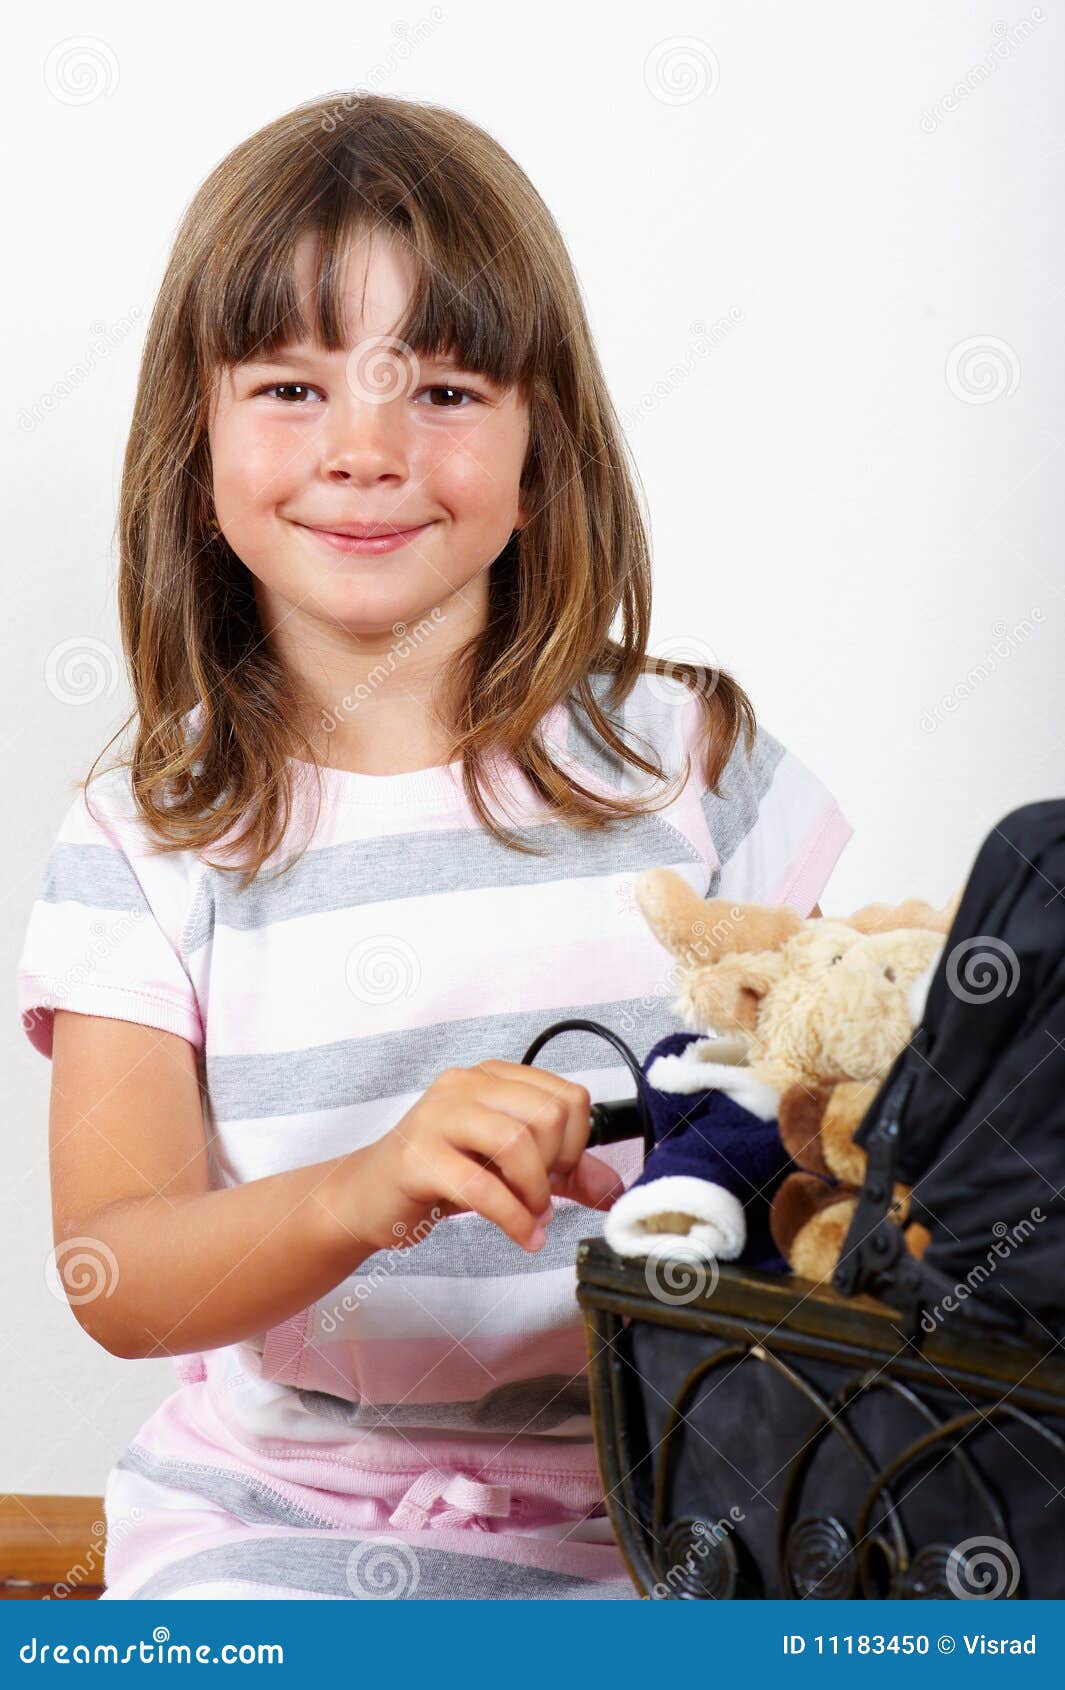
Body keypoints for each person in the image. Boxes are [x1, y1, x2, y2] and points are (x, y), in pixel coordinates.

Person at [16, 91, 852, 1600]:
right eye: (290, 385)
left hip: (683, 1506)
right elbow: (119, 1274)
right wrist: (366, 1184)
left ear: (542, 452)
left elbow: (853, 1099)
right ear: (192, 444)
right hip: (281, 1520)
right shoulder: (147, 839)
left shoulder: (692, 764)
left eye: (446, 392)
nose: (367, 447)